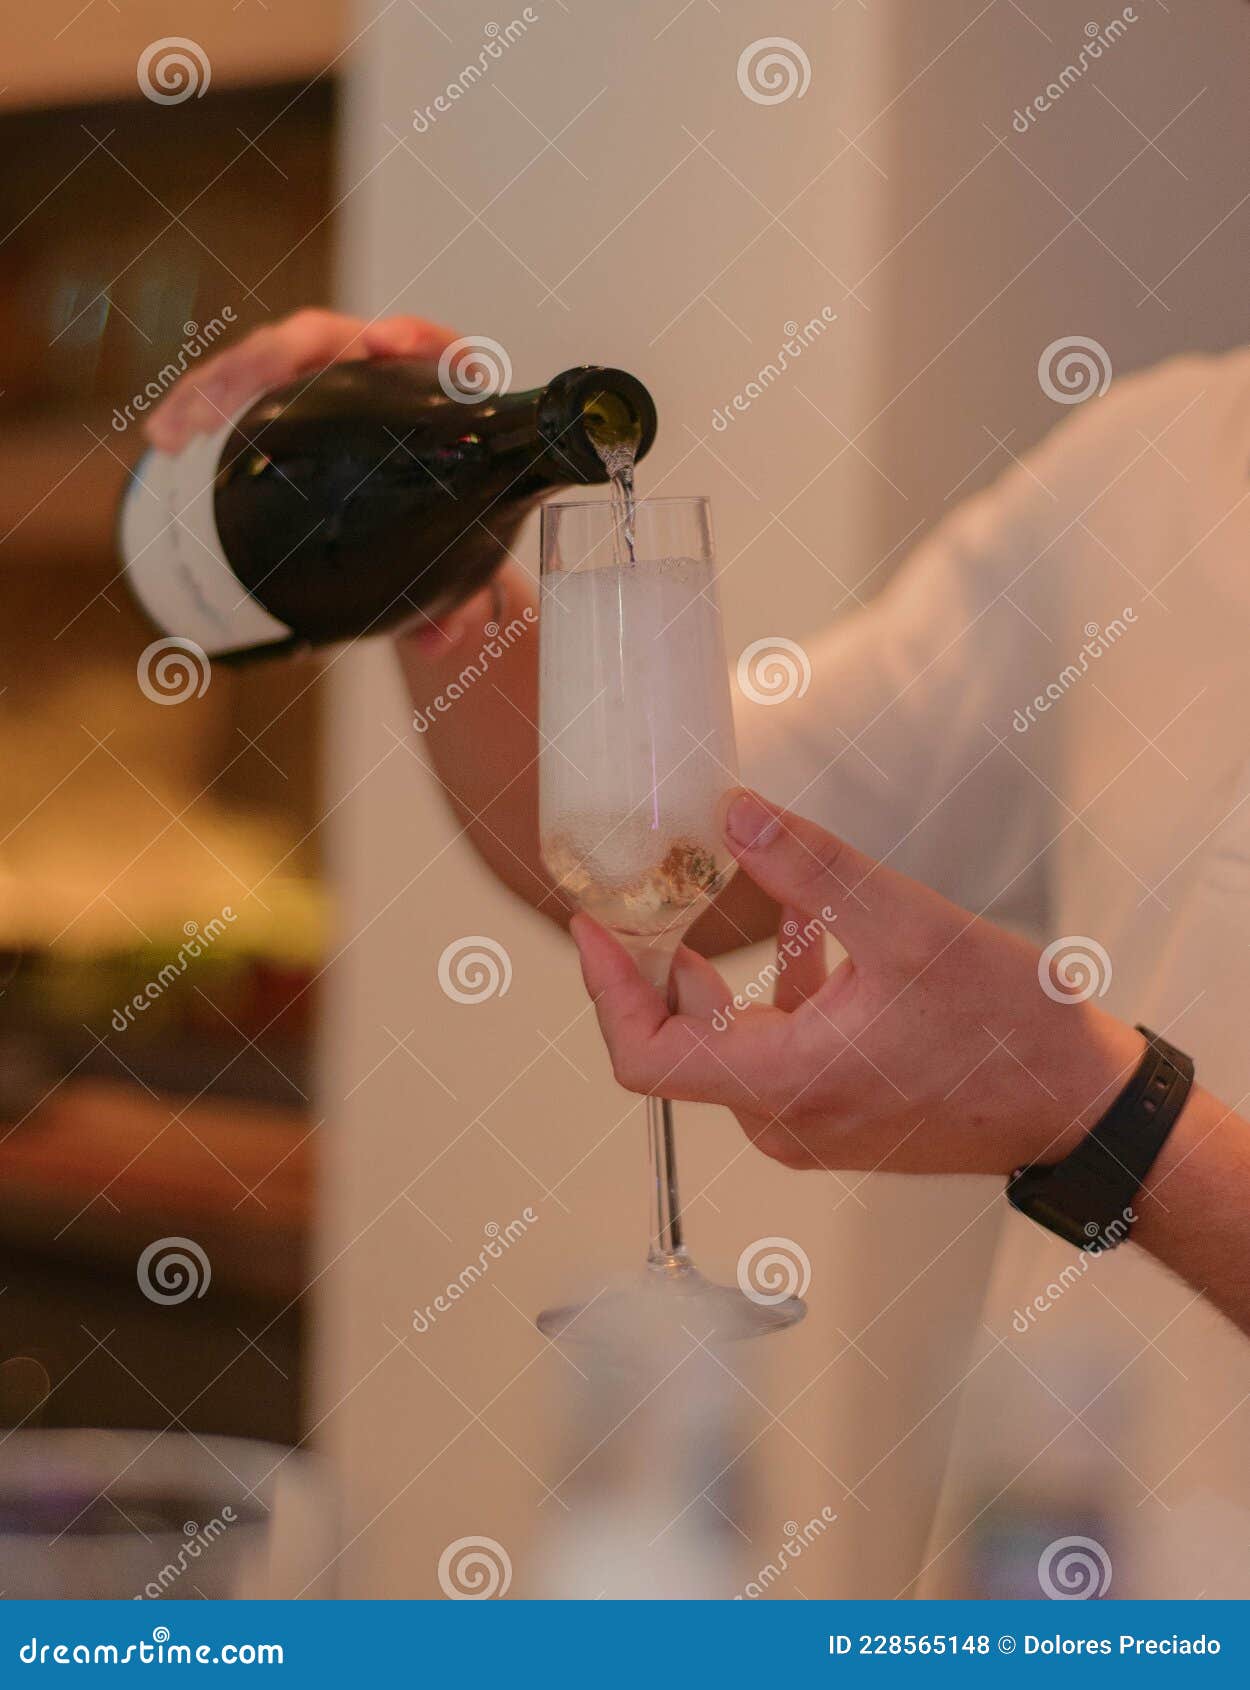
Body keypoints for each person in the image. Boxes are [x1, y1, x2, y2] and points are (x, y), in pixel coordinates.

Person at [148, 308, 1250, 1338]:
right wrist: (433, 558)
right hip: (1059, 1523)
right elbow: (695, 846)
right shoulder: (1159, 459)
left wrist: (1097, 1115)